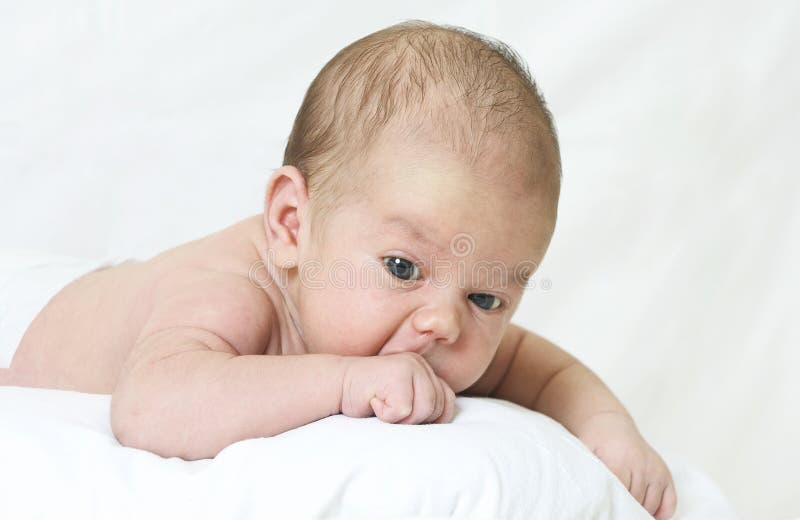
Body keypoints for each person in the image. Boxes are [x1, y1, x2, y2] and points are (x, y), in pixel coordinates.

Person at [0, 20, 676, 519]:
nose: (443, 320)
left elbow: (548, 372)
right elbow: (149, 407)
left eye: (487, 298)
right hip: (27, 318)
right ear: (294, 225)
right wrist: (347, 379)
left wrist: (610, 431)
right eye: (402, 266)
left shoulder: (436, 328)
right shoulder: (235, 290)